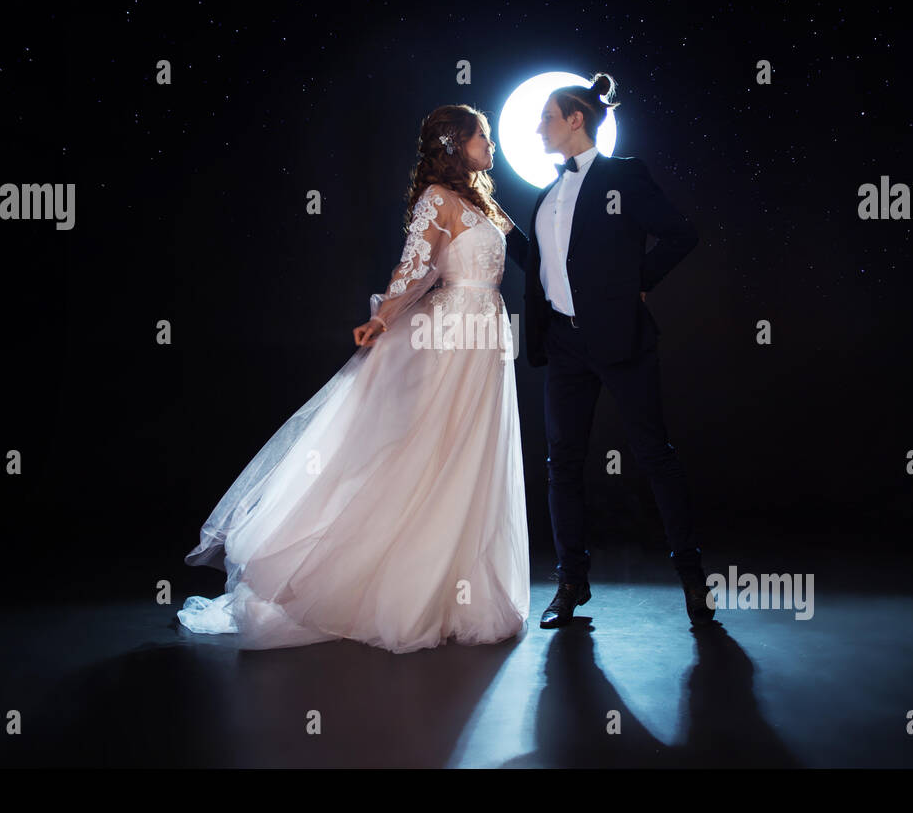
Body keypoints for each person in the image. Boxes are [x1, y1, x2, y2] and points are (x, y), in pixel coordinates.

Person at [178, 105, 532, 654]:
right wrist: (383, 317)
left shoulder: (481, 201)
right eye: (483, 137)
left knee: (473, 455)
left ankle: (461, 586)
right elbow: (413, 268)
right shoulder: (437, 199)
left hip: (485, 338)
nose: (492, 145)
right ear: (455, 144)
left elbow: (525, 250)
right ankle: (393, 582)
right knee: (430, 451)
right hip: (453, 337)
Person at [524, 72, 715, 628]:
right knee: (563, 464)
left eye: (547, 117)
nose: (539, 127)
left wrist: (640, 281)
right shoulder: (547, 194)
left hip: (621, 337)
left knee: (656, 455)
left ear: (575, 120)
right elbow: (544, 267)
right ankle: (571, 585)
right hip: (563, 344)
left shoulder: (623, 178)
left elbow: (680, 233)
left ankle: (692, 581)